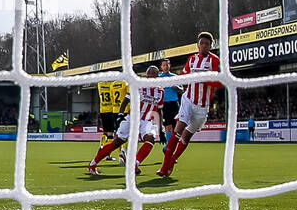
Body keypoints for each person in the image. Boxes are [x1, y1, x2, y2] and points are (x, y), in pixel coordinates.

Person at [158, 32, 223, 177]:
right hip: (187, 100)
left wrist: (205, 79)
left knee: (186, 137)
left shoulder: (215, 60)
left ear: (211, 46)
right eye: (202, 43)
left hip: (202, 106)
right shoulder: (192, 59)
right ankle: (164, 167)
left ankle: (172, 161)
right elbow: (184, 76)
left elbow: (221, 82)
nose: (204, 46)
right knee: (178, 130)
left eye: (207, 44)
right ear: (198, 45)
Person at [88, 66, 163, 176]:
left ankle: (135, 164)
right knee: (117, 142)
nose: (152, 79)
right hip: (132, 118)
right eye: (150, 76)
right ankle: (93, 164)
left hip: (147, 121)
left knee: (150, 139)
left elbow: (160, 110)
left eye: (155, 76)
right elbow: (125, 101)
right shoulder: (139, 86)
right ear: (147, 76)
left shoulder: (161, 91)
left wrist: (161, 129)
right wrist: (121, 114)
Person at [95, 77, 130, 159]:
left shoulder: (100, 85)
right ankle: (121, 152)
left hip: (104, 110)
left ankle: (102, 146)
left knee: (107, 132)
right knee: (117, 134)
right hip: (115, 110)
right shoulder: (121, 83)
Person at [158, 59, 180, 143]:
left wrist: (175, 87)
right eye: (164, 65)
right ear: (161, 67)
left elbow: (181, 90)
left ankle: (172, 145)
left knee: (176, 126)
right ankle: (168, 146)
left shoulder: (174, 77)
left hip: (174, 103)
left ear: (169, 66)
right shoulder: (159, 78)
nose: (166, 67)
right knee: (168, 125)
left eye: (167, 65)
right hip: (164, 103)